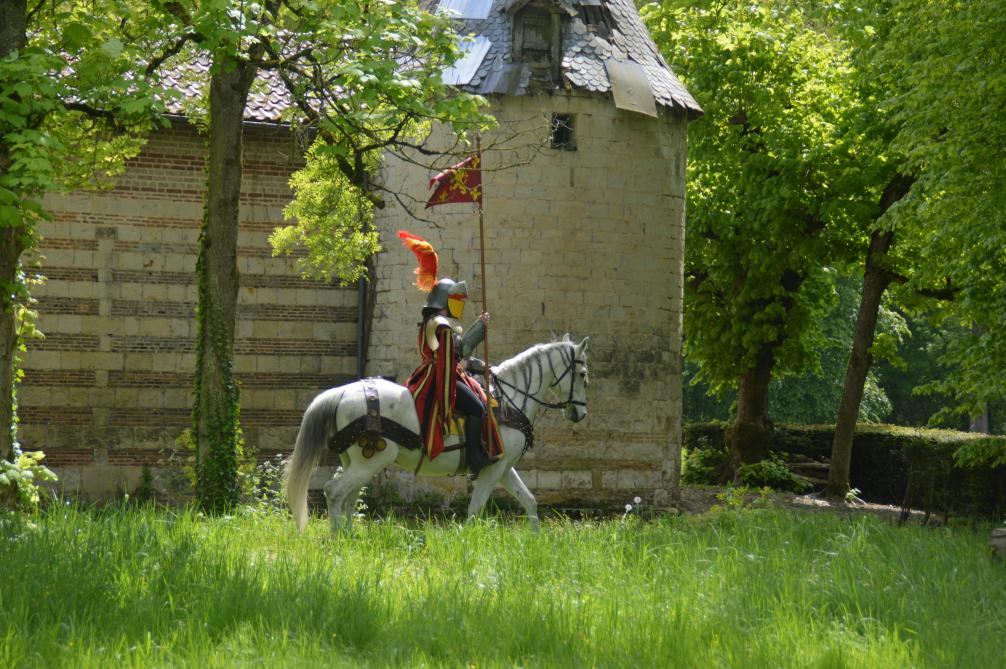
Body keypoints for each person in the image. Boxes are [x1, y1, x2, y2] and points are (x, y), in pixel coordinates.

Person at [405, 277, 503, 473]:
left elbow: (458, 352)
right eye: (455, 299)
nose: (458, 304)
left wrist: (479, 326)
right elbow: (458, 354)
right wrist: (480, 326)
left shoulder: (431, 322)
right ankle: (474, 457)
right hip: (440, 376)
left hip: (431, 372)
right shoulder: (441, 324)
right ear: (446, 300)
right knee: (477, 408)